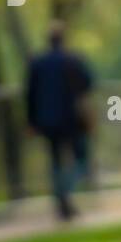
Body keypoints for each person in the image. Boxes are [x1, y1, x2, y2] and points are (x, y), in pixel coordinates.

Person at [25, 20, 94, 220]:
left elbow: (29, 95)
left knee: (55, 161)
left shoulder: (37, 63)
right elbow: (87, 86)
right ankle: (65, 192)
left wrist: (31, 121)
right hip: (72, 119)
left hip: (47, 121)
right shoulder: (73, 60)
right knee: (81, 159)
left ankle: (62, 198)